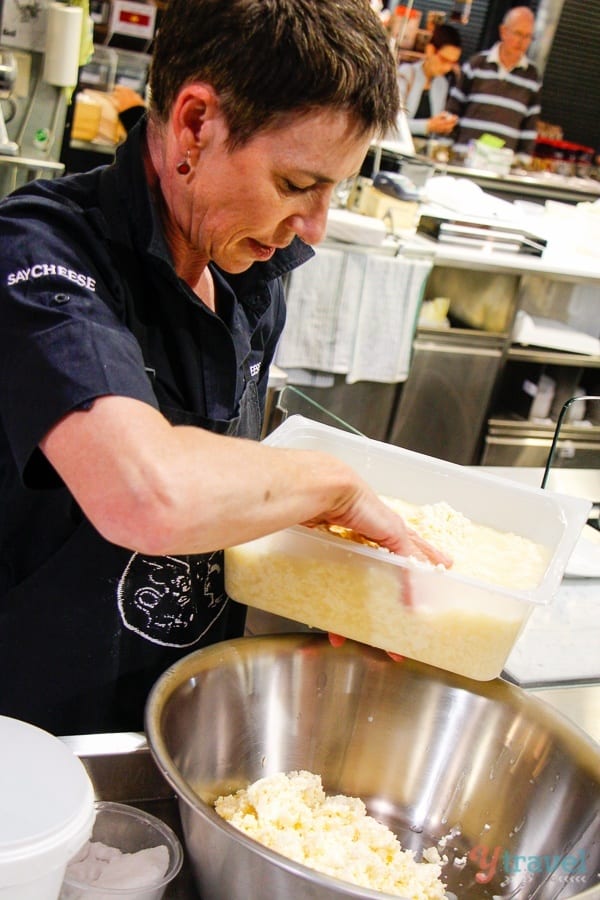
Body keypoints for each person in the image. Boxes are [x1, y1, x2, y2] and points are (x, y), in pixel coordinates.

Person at [0, 0, 448, 737]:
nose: (317, 227)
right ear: (196, 123)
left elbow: (224, 487)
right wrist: (331, 489)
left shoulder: (247, 268)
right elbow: (146, 495)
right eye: (299, 184)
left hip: (178, 719)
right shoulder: (40, 254)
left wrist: (327, 588)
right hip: (36, 742)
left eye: (337, 188)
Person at [446, 5, 541, 158]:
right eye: (518, 33)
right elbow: (452, 112)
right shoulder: (475, 64)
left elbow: (529, 127)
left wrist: (522, 162)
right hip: (463, 159)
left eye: (528, 36)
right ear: (503, 31)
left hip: (501, 166)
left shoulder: (532, 76)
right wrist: (445, 152)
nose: (522, 41)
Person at [398, 24, 462, 138]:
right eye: (443, 60)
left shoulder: (441, 84)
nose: (447, 68)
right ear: (430, 50)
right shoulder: (406, 74)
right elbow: (392, 123)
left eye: (452, 63)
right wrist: (428, 126)